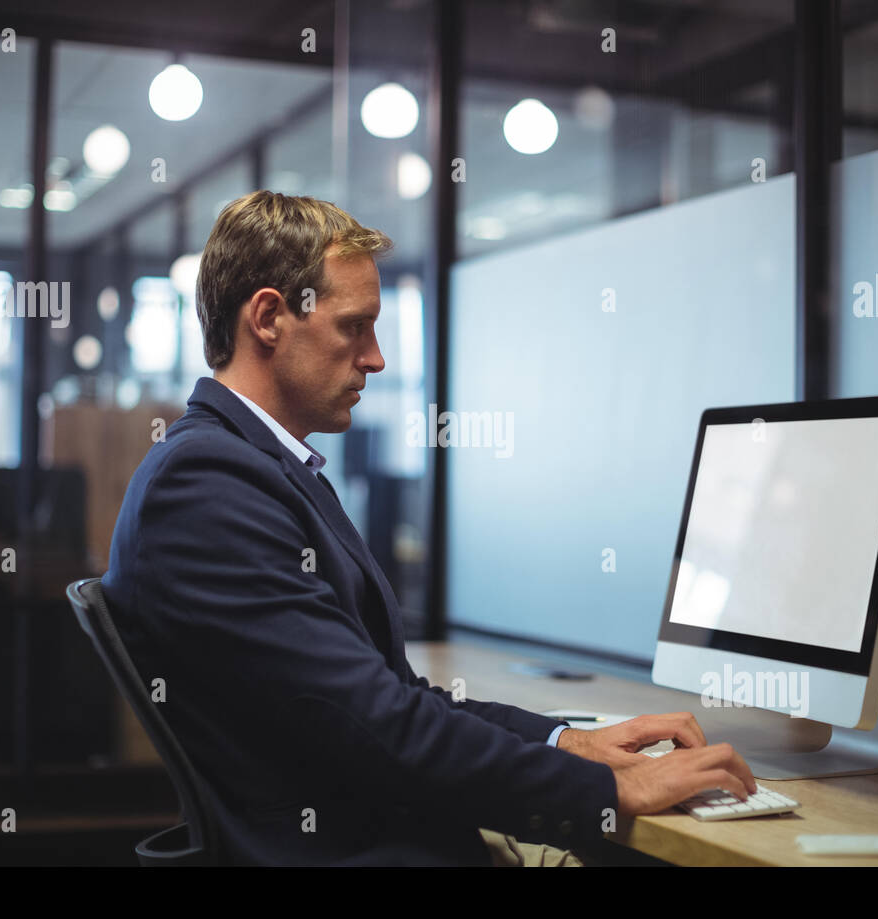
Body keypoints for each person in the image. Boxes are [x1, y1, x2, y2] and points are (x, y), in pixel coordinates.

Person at [102, 190, 757, 865]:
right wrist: (605, 792)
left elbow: (389, 698)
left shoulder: (263, 469)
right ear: (269, 317)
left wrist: (570, 743)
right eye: (354, 327)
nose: (376, 358)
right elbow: (379, 729)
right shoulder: (207, 484)